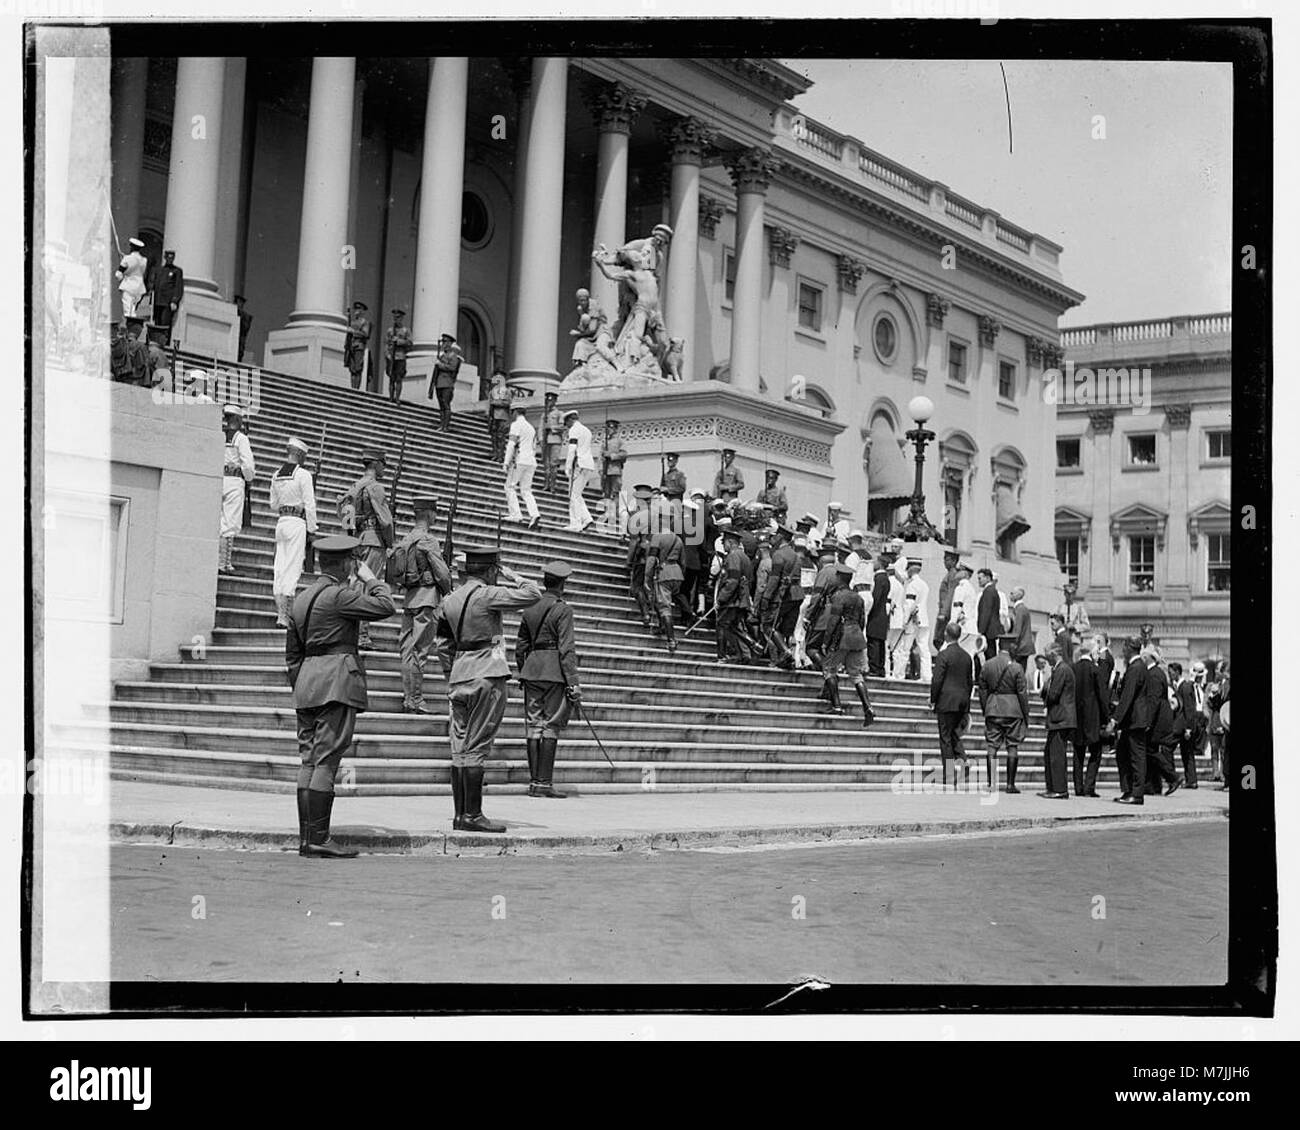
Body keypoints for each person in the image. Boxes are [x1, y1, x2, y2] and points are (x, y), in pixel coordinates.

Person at [286, 534, 397, 857]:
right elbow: (385, 606)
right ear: (348, 563)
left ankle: (308, 837)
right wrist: (373, 579)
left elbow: (292, 656)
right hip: (336, 683)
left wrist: (304, 682)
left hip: (307, 683)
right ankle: (319, 839)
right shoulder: (339, 595)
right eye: (353, 561)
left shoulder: (303, 597)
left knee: (309, 760)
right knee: (326, 761)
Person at [433, 546, 543, 833]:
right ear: (491, 571)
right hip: (486, 673)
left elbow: (442, 644)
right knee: (478, 745)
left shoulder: (449, 600)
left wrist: (453, 669)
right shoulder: (489, 594)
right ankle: (473, 815)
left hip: (459, 674)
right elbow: (533, 594)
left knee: (459, 747)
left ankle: (460, 815)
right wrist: (513, 575)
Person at [516, 560, 581, 798]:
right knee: (551, 725)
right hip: (554, 672)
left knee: (534, 724)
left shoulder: (530, 607)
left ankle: (535, 783)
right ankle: (544, 783)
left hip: (532, 671)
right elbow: (566, 649)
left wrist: (526, 669)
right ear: (563, 584)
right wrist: (573, 681)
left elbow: (520, 646)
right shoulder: (563, 609)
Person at [394, 496, 452, 715]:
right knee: (420, 650)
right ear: (429, 514)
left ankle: (409, 697)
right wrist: (448, 590)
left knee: (407, 649)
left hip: (410, 598)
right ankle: (416, 698)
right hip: (427, 598)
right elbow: (443, 573)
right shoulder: (428, 540)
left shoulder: (406, 539)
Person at [337, 449, 394, 650]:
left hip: (357, 539)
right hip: (374, 539)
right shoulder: (376, 488)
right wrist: (390, 543)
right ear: (376, 464)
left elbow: (345, 520)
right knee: (369, 585)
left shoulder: (353, 488)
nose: (385, 468)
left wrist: (352, 538)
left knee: (354, 586)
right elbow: (385, 521)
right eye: (383, 464)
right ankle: (362, 635)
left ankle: (351, 632)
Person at [269, 437, 318, 627]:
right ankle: (285, 615)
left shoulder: (276, 475)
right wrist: (312, 528)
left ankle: (280, 614)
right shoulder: (303, 475)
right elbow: (310, 504)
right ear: (300, 455)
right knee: (292, 568)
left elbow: (273, 504)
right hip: (297, 523)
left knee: (280, 568)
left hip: (281, 521)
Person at [822, 563, 875, 725]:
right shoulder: (858, 597)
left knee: (829, 669)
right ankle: (868, 707)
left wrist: (826, 641)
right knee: (856, 674)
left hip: (842, 636)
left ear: (840, 579)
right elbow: (862, 621)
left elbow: (833, 621)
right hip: (857, 637)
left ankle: (837, 705)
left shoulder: (839, 597)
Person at [978, 635, 1030, 793]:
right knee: (1012, 746)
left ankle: (991, 784)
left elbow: (982, 690)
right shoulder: (1017, 667)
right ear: (1012, 647)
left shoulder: (988, 665)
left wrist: (986, 708)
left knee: (992, 746)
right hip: (1013, 710)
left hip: (993, 708)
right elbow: (1022, 693)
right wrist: (1025, 714)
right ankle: (1010, 784)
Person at [931, 622, 974, 789]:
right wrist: (967, 705)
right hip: (961, 702)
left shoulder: (944, 654)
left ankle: (949, 775)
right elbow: (970, 682)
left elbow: (937, 679)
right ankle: (964, 762)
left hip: (946, 701)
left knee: (946, 738)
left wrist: (933, 699)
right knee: (954, 735)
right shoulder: (966, 656)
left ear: (947, 635)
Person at [1107, 637, 1150, 804]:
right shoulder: (1136, 667)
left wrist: (1115, 720)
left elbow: (1127, 696)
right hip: (1131, 720)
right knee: (1122, 754)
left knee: (1136, 757)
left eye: (1124, 648)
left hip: (1135, 720)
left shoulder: (1136, 668)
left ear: (1129, 648)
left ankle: (1136, 793)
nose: (1122, 651)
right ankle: (1128, 790)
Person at [1141, 646, 1183, 796]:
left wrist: (1148, 722)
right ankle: (1154, 786)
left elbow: (1154, 701)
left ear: (1148, 658)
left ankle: (1173, 777)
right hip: (1159, 719)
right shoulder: (1157, 673)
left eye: (1143, 657)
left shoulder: (1153, 674)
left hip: (1157, 720)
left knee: (1150, 751)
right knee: (1149, 751)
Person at [1071, 635, 1109, 797]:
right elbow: (1102, 696)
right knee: (1095, 752)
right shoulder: (1096, 670)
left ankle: (1078, 787)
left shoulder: (1073, 668)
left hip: (1077, 716)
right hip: (1093, 717)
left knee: (1078, 753)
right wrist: (1106, 717)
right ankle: (1089, 786)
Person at [219, 404, 255, 575]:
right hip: (234, 481)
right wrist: (249, 478)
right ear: (238, 419)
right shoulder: (241, 438)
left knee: (219, 520)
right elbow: (248, 465)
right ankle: (224, 563)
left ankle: (219, 561)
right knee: (230, 522)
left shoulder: (219, 434)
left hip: (218, 478)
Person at [644, 507, 685, 653]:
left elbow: (651, 559)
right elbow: (683, 562)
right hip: (677, 573)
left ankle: (671, 640)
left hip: (664, 573)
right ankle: (662, 627)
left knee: (664, 607)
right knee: (659, 602)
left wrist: (646, 578)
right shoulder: (678, 540)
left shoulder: (657, 537)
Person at [1039, 645, 1076, 799]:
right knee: (1050, 752)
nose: (1046, 659)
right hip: (1060, 718)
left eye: (1048, 655)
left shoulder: (1062, 670)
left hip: (1061, 718)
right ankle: (1053, 787)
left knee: (1057, 755)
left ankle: (1059, 789)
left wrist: (1046, 691)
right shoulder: (1060, 669)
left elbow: (1054, 694)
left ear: (1055, 654)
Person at [716, 526, 755, 664]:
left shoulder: (733, 556)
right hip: (741, 599)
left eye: (724, 542)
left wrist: (721, 598)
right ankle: (745, 654)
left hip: (732, 600)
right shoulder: (745, 557)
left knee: (722, 625)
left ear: (731, 542)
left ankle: (721, 655)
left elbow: (732, 580)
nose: (723, 545)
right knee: (736, 626)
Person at [503, 401, 542, 529]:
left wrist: (506, 462)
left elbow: (511, 444)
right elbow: (534, 446)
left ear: (514, 412)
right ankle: (534, 513)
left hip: (519, 460)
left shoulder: (516, 425)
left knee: (509, 486)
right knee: (526, 490)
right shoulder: (531, 427)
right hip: (531, 461)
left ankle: (516, 514)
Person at [896, 556, 932, 681]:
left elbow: (909, 604)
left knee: (905, 648)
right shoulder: (924, 584)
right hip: (924, 619)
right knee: (924, 649)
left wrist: (904, 621)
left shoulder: (912, 585)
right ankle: (927, 676)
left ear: (910, 569)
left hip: (913, 620)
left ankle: (899, 675)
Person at [1169, 661, 1203, 790]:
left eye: (1171, 673)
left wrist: (1188, 728)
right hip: (1182, 725)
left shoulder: (1186, 686)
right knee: (1187, 753)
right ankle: (1191, 780)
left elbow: (1189, 708)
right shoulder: (1178, 685)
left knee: (1172, 749)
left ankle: (1179, 778)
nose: (1170, 675)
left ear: (1177, 672)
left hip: (1184, 726)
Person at [562, 408, 597, 532]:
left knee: (573, 495)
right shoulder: (586, 430)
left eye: (566, 422)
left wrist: (567, 466)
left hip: (578, 464)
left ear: (571, 419)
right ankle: (586, 518)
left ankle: (575, 523)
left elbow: (572, 449)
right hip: (588, 464)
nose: (566, 426)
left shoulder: (574, 430)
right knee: (577, 494)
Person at [429, 333, 461, 431]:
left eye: (445, 341)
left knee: (446, 404)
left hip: (447, 383)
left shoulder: (453, 356)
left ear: (450, 343)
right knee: (441, 405)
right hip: (439, 383)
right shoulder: (442, 356)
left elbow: (452, 368)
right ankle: (442, 424)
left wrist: (440, 364)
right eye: (443, 341)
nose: (443, 344)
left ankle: (446, 426)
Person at [865, 555, 891, 677]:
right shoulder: (885, 578)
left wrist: (868, 611)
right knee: (879, 643)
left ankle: (875, 667)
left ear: (880, 564)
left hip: (876, 615)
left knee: (874, 641)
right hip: (882, 615)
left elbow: (876, 597)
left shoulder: (879, 578)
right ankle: (880, 667)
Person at [950, 562, 981, 661]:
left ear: (965, 574)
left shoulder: (960, 588)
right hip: (971, 628)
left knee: (954, 656)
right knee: (969, 657)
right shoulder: (971, 589)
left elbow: (957, 608)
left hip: (963, 628)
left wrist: (951, 625)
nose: (956, 573)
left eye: (959, 571)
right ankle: (969, 677)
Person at [933, 546, 961, 650]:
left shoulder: (953, 574)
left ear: (954, 561)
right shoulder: (949, 574)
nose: (944, 562)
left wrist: (944, 613)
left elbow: (950, 594)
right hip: (943, 610)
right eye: (944, 559)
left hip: (945, 613)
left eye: (947, 559)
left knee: (940, 639)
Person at [115, 236, 149, 318]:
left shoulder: (127, 259)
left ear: (132, 247)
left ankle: (130, 328)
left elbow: (118, 274)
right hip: (139, 288)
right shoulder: (144, 260)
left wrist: (121, 277)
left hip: (129, 287)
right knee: (133, 309)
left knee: (128, 311)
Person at [151, 249, 185, 330]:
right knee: (157, 321)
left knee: (165, 323)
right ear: (165, 258)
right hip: (158, 301)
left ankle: (164, 340)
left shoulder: (177, 271)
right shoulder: (159, 270)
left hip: (168, 302)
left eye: (172, 258)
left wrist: (175, 300)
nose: (170, 259)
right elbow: (155, 285)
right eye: (169, 257)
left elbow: (178, 286)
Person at [385, 308, 413, 403]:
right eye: (394, 318)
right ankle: (390, 397)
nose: (396, 320)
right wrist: (387, 354)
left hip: (400, 356)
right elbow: (386, 343)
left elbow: (409, 343)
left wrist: (399, 341)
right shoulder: (390, 330)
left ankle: (397, 398)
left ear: (401, 318)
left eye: (398, 317)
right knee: (391, 378)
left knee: (399, 378)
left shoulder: (406, 330)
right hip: (391, 356)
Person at [601, 418, 628, 520]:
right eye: (608, 427)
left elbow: (624, 454)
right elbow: (601, 456)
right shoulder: (605, 442)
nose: (609, 429)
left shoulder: (620, 441)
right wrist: (600, 469)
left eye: (611, 427)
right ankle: (607, 512)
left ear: (616, 429)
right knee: (606, 492)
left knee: (615, 492)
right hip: (606, 470)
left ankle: (614, 512)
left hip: (615, 470)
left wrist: (612, 455)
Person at [541, 391, 565, 494]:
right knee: (545, 464)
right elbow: (541, 427)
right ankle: (546, 484)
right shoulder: (544, 414)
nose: (548, 402)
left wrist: (552, 428)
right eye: (547, 400)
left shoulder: (559, 413)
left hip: (555, 440)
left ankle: (552, 486)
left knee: (553, 464)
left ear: (555, 401)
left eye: (550, 400)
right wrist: (540, 439)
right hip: (546, 441)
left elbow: (562, 427)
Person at [344, 301, 371, 391]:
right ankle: (352, 388)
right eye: (355, 308)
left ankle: (356, 389)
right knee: (352, 369)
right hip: (351, 346)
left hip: (359, 346)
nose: (356, 310)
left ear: (362, 311)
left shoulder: (364, 322)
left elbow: (365, 334)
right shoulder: (352, 322)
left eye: (359, 309)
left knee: (358, 368)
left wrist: (354, 332)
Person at [976, 567, 1001, 662]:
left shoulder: (989, 591)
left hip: (988, 631)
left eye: (980, 578)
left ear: (987, 578)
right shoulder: (991, 590)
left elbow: (986, 612)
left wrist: (981, 630)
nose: (978, 581)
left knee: (990, 656)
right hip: (990, 630)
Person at [486, 369, 512, 459]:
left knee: (501, 437)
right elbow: (489, 404)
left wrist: (496, 403)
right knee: (493, 436)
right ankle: (495, 453)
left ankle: (500, 455)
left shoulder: (506, 391)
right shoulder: (492, 392)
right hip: (493, 416)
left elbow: (508, 403)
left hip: (502, 417)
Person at [1009, 586, 1034, 670]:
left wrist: (1012, 645)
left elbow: (1017, 630)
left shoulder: (1020, 609)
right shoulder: (1021, 609)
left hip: (1021, 647)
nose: (1010, 595)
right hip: (1024, 646)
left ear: (1018, 595)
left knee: (1018, 670)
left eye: (1012, 593)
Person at [233, 294, 253, 361]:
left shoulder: (245, 316)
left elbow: (246, 327)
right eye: (240, 302)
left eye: (242, 302)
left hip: (240, 338)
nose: (241, 304)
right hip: (234, 337)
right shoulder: (233, 312)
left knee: (239, 352)